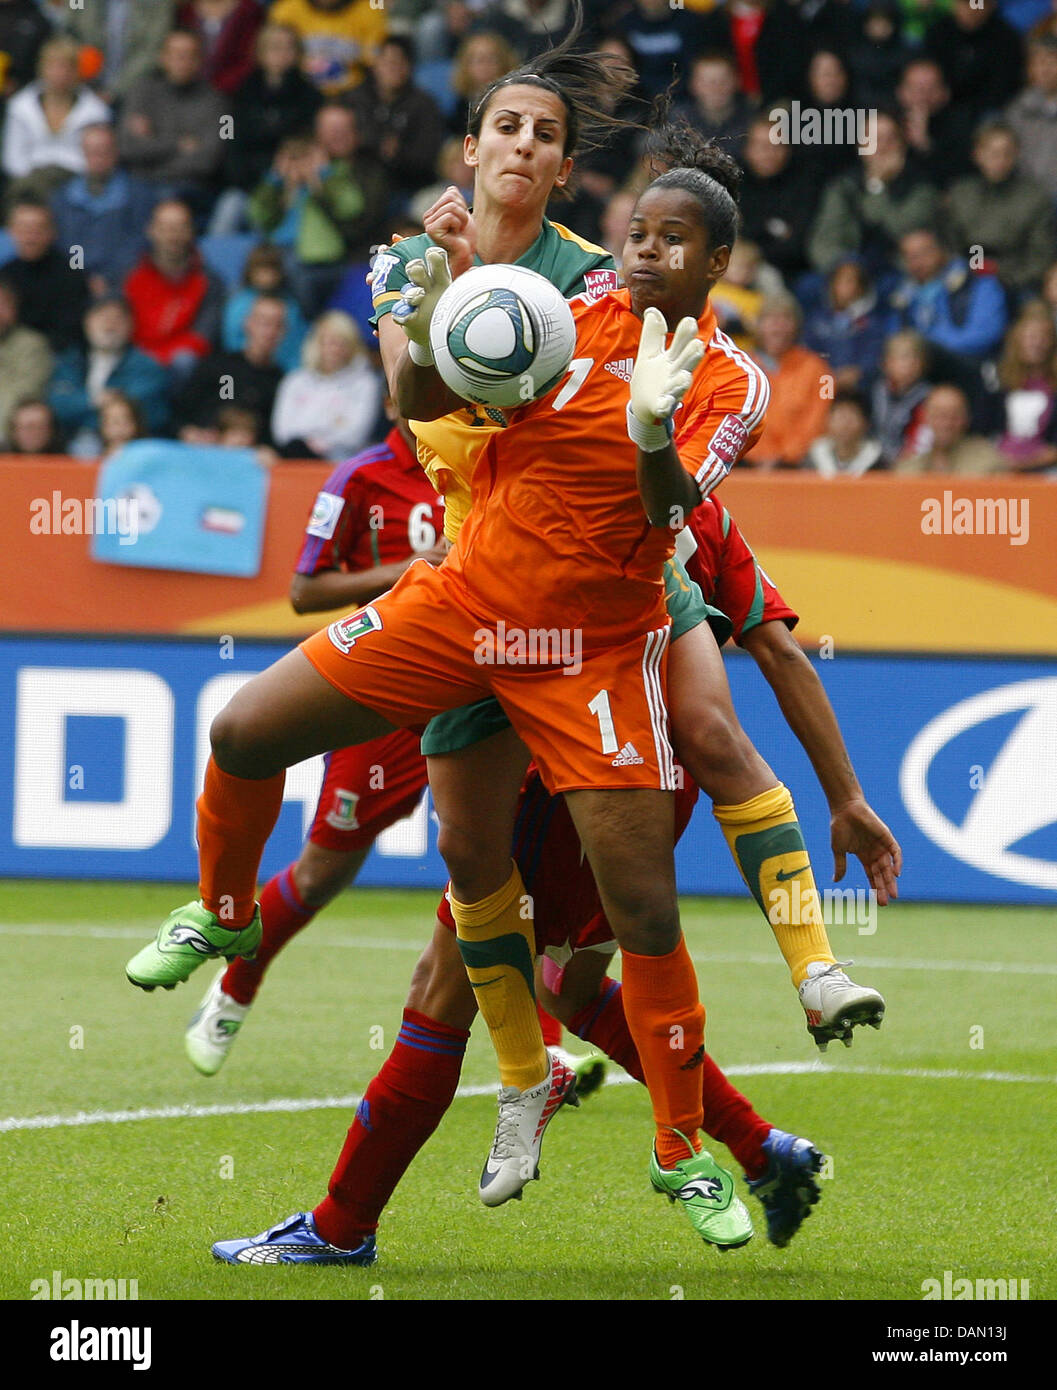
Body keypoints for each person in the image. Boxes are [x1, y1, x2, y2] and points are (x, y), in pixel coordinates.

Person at [117, 27, 226, 210]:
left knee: (162, 199)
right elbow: (127, 147)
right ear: (162, 57)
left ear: (200, 60)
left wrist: (152, 146)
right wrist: (178, 144)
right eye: (175, 54)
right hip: (138, 182)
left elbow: (210, 159)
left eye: (188, 55)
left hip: (190, 187)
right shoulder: (141, 92)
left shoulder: (218, 103)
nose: (181, 61)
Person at [945, 122, 1056, 298]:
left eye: (1008, 153)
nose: (1000, 160)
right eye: (993, 153)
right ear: (977, 154)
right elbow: (949, 243)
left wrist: (1002, 276)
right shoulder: (961, 194)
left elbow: (1041, 256)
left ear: (1017, 154)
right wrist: (969, 268)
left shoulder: (1035, 198)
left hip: (1017, 284)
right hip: (963, 278)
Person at [49, 297, 171, 454]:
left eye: (118, 318)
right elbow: (56, 407)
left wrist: (85, 414)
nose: (110, 325)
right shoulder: (69, 362)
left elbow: (145, 415)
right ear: (87, 323)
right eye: (103, 317)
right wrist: (94, 400)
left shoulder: (148, 367)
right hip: (69, 442)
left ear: (131, 325)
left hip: (130, 448)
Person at [50, 125, 159, 299]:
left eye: (105, 151)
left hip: (125, 284)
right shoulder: (63, 197)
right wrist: (82, 276)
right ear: (83, 153)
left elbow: (140, 242)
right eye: (92, 151)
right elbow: (66, 243)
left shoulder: (139, 195)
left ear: (116, 152)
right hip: (74, 284)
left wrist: (108, 277)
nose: (99, 158)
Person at [0, 34, 110, 201]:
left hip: (78, 186)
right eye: (54, 66)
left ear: (77, 71)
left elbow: (95, 157)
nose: (60, 74)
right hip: (29, 185)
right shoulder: (20, 107)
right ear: (42, 68)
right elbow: (13, 158)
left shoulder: (95, 111)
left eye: (67, 67)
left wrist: (58, 172)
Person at [123, 198, 226, 372]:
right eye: (165, 228)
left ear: (191, 232)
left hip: (177, 363)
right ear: (151, 231)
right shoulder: (129, 273)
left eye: (180, 227)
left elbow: (202, 337)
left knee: (185, 360)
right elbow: (120, 320)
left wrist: (157, 358)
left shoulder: (209, 281)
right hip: (133, 355)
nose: (173, 235)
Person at [269, 310, 384, 459]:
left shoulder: (365, 384)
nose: (334, 349)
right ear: (316, 344)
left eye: (341, 343)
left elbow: (355, 435)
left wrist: (318, 439)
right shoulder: (295, 381)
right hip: (295, 456)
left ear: (352, 346)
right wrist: (319, 435)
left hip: (340, 459)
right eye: (328, 342)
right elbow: (282, 432)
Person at [173, 295, 287, 445]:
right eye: (264, 322)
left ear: (284, 332)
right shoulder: (219, 365)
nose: (269, 331)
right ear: (248, 323)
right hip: (202, 449)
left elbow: (275, 434)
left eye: (277, 325)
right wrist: (188, 432)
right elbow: (180, 412)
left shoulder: (281, 381)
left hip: (248, 456)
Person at [0, 195, 89, 352]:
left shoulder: (71, 274)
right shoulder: (5, 273)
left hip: (58, 355)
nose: (30, 237)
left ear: (52, 232)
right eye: (23, 228)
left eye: (38, 229)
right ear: (11, 231)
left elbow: (70, 333)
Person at [894, 383, 1003, 474]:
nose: (946, 423)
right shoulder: (908, 468)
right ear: (925, 417)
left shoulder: (989, 464)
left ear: (966, 418)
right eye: (939, 415)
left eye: (954, 416)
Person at [0, 278, 53, 447]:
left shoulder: (32, 344)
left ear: (14, 310)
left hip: (10, 433)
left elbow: (25, 393)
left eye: (3, 305)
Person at [805, 390, 886, 476]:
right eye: (840, 416)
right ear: (828, 420)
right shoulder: (813, 459)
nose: (845, 424)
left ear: (865, 423)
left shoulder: (878, 463)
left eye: (851, 416)